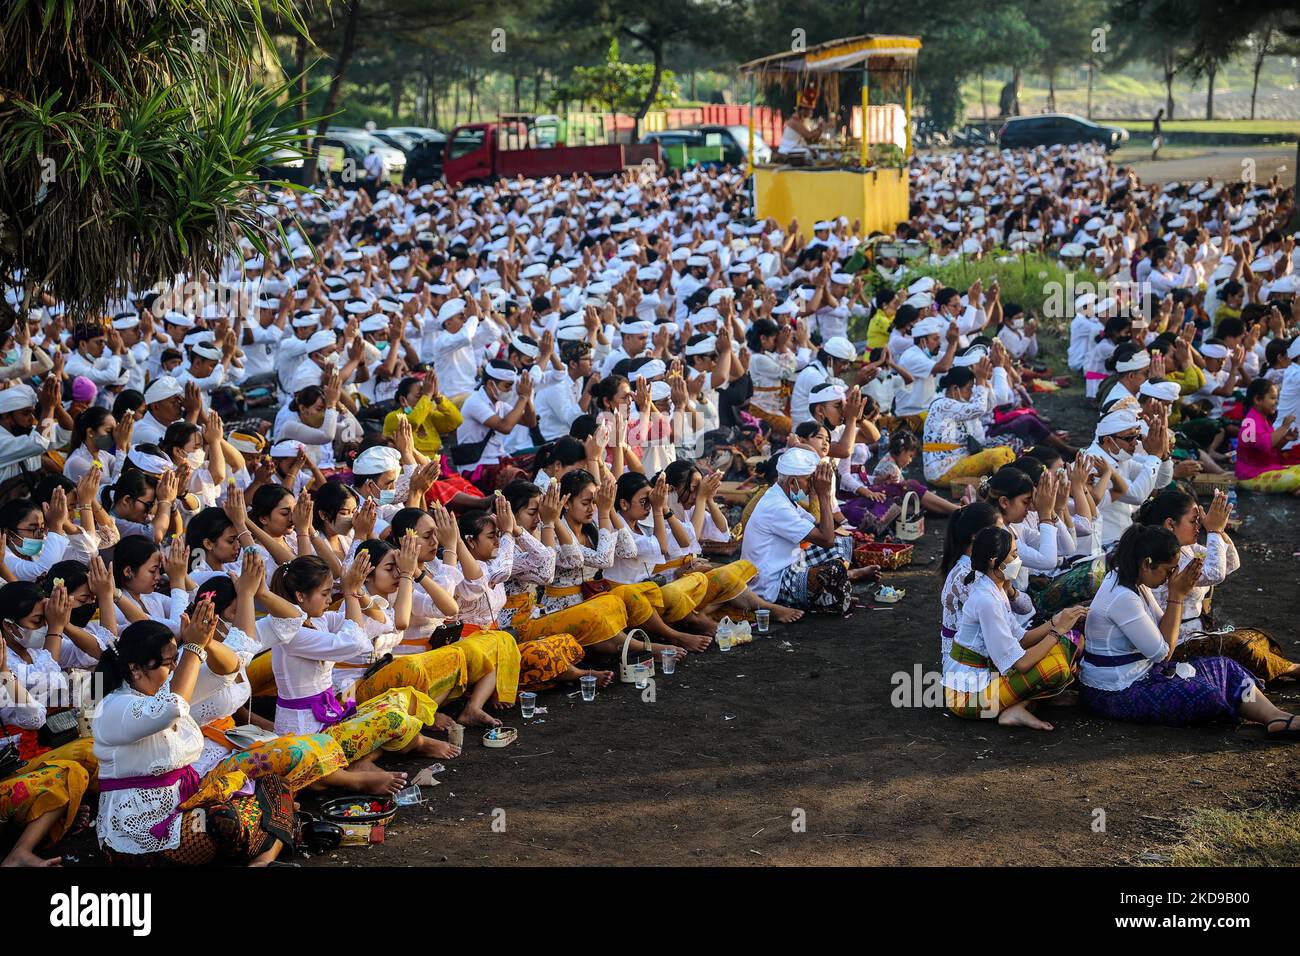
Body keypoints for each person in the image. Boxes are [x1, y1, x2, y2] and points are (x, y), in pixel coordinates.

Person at [1080, 524, 1300, 736]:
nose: (1170, 578)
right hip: (1113, 693)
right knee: (1208, 695)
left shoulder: (1132, 582)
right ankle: (1252, 712)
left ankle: (1276, 717)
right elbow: (1163, 654)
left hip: (1139, 676)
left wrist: (1178, 594)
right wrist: (1177, 596)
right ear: (1147, 563)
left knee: (1225, 667)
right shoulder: (1122, 596)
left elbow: (1160, 628)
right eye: (1168, 571)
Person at [1137, 488, 1300, 682]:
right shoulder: (1167, 558)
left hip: (1197, 635)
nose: (1198, 526)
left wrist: (1219, 531)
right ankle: (1291, 670)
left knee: (1257, 637)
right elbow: (1216, 573)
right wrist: (1213, 531)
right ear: (1171, 524)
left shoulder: (1189, 549)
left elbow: (1231, 563)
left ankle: (1280, 670)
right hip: (1177, 643)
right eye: (1193, 521)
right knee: (1240, 645)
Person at [942, 526, 1086, 730]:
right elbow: (1021, 663)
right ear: (995, 562)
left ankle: (1023, 704)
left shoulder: (997, 589)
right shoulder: (987, 600)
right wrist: (1056, 631)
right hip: (965, 696)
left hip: (989, 677)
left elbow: (1021, 639)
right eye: (1014, 555)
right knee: (1056, 669)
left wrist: (1055, 622)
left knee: (1073, 639)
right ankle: (1017, 708)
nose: (1018, 560)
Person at [1235, 378, 1300, 493]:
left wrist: (1285, 439)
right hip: (1250, 476)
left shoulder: (1263, 419)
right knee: (1296, 477)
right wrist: (1284, 427)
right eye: (1272, 398)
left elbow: (1270, 449)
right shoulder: (1250, 422)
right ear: (1257, 399)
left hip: (1264, 470)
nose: (1276, 402)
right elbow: (1265, 444)